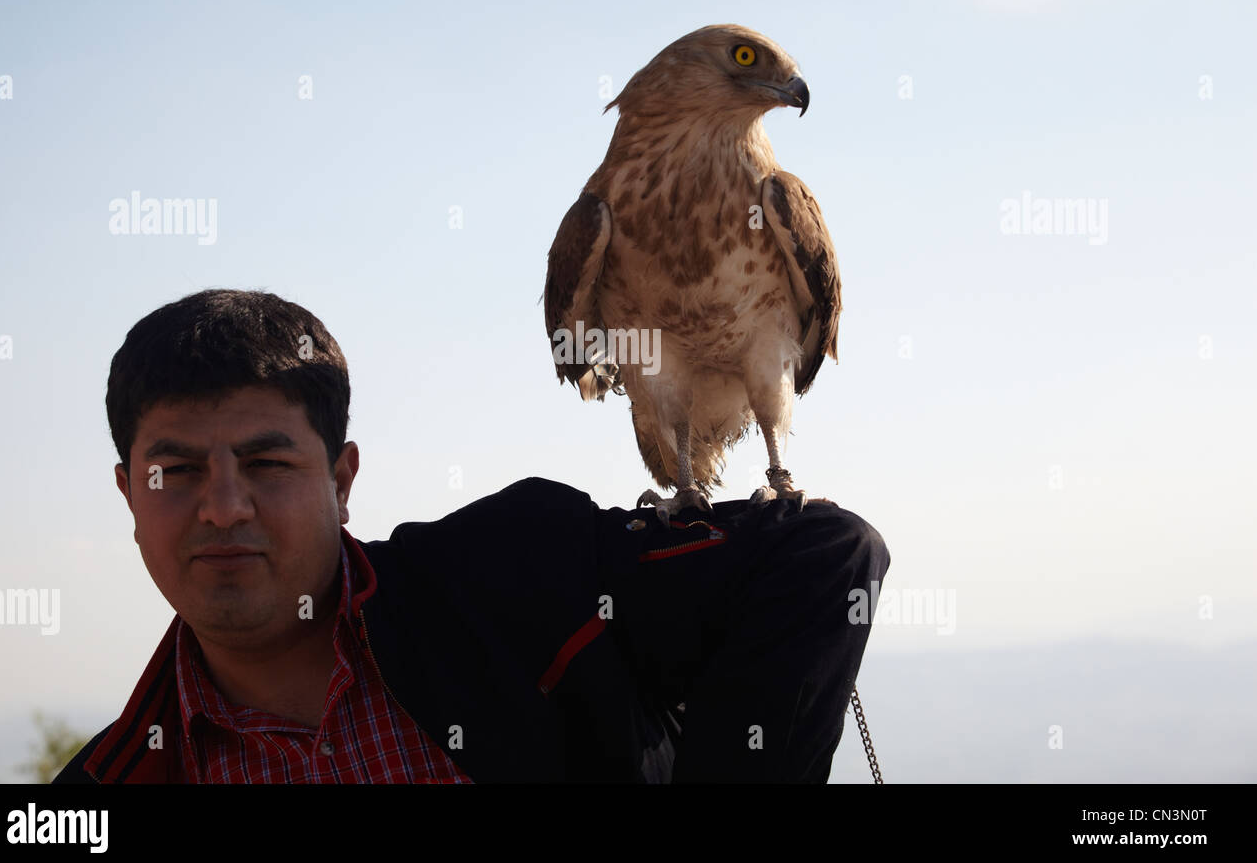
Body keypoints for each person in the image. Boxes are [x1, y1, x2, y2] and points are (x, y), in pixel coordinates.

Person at [53, 288, 891, 783]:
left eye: (268, 465)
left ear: (342, 482)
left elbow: (823, 559)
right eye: (178, 471)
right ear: (130, 494)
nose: (223, 507)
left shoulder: (512, 578)